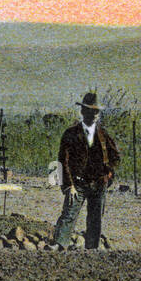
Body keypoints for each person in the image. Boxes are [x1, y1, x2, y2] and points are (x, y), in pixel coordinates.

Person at [51, 91, 121, 250]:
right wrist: (69, 186)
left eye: (96, 111)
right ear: (83, 112)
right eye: (90, 110)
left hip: (98, 184)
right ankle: (59, 246)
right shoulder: (71, 134)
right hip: (77, 183)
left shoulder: (103, 135)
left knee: (95, 219)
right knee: (69, 215)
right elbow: (63, 160)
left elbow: (115, 156)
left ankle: (92, 250)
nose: (94, 114)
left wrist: (108, 173)